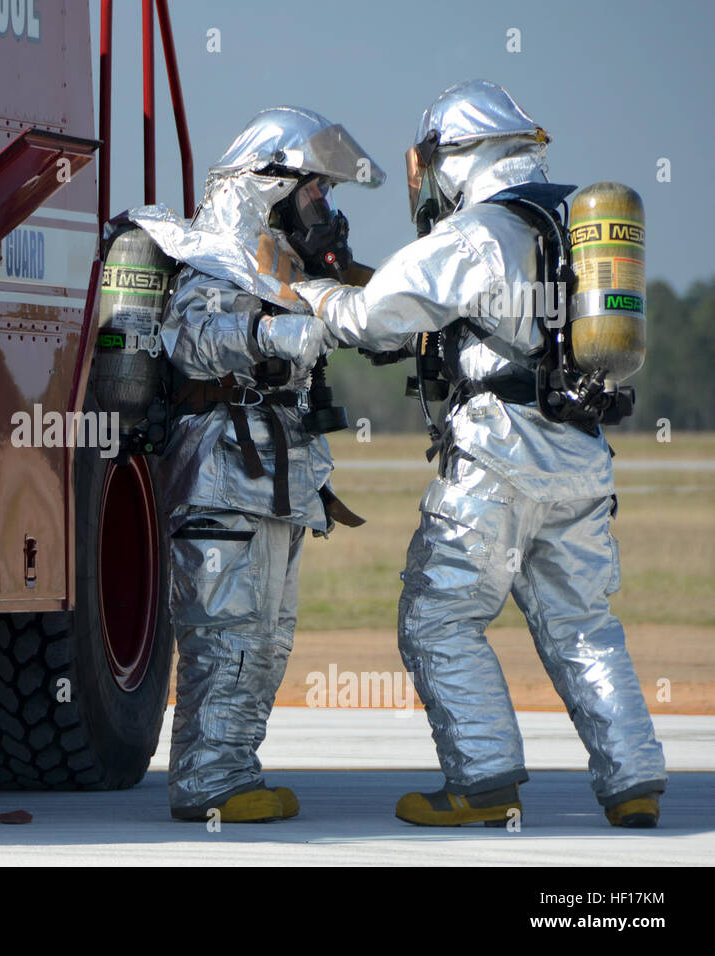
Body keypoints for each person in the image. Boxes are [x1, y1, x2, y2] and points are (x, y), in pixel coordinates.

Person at [284, 80, 667, 827]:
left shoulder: (472, 235)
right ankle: (636, 782)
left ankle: (483, 781)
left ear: (456, 155)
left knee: (438, 617)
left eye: (430, 159)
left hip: (499, 457)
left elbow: (371, 320)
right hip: (581, 455)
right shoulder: (563, 220)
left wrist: (309, 293)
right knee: (583, 623)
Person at [127, 107, 383, 822]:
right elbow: (189, 339)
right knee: (224, 639)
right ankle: (207, 783)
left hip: (275, 480)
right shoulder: (211, 257)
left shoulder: (280, 269)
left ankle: (235, 771)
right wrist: (267, 335)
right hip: (220, 476)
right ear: (270, 187)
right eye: (315, 192)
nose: (325, 210)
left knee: (267, 642)